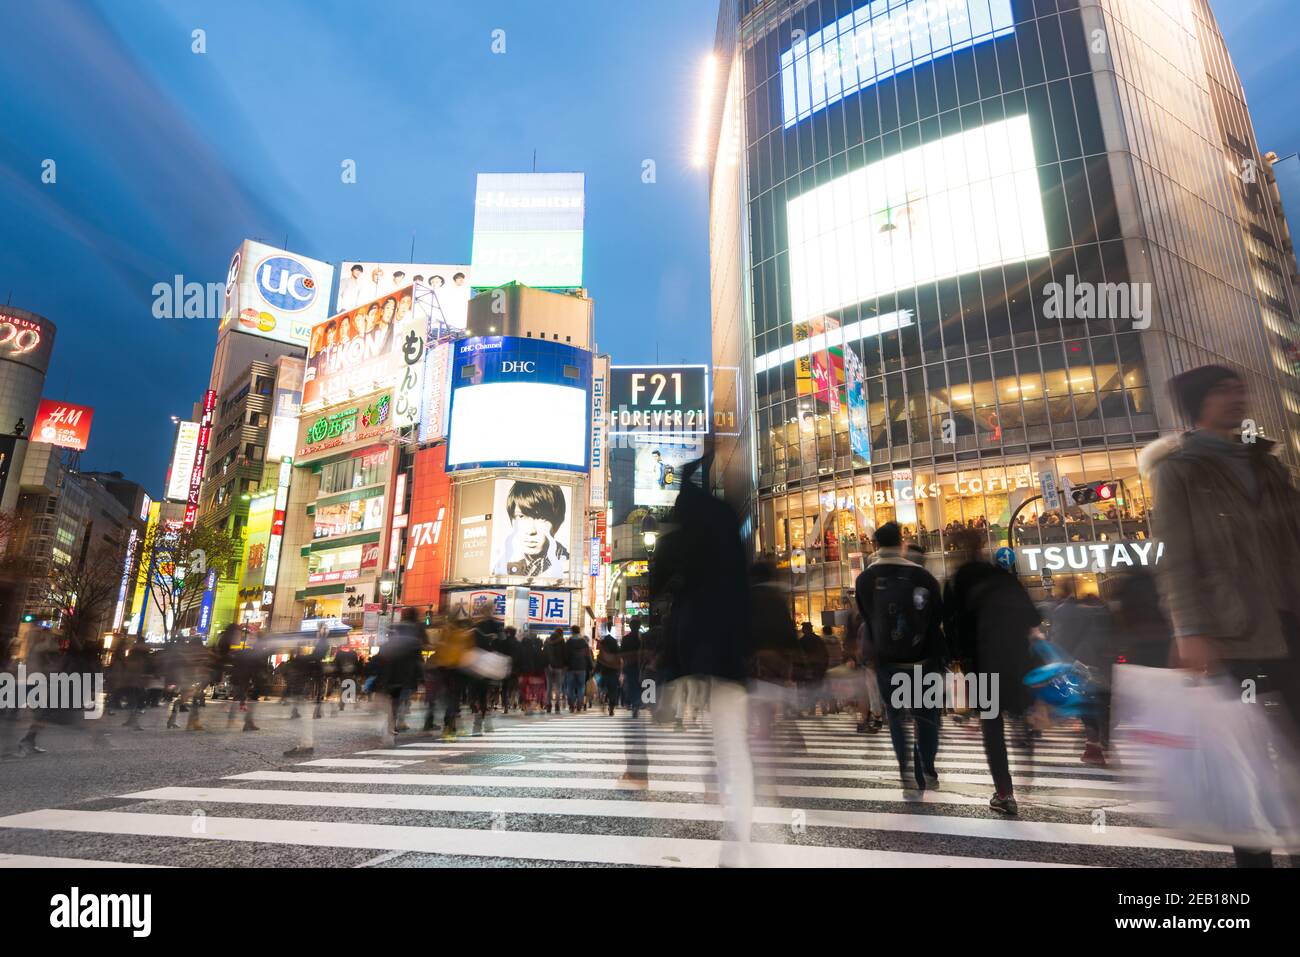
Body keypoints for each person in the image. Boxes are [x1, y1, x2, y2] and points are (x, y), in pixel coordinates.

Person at [1142, 364, 1300, 867]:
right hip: (1231, 632)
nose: (1237, 397)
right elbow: (1177, 556)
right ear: (1199, 402)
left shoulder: (1265, 461)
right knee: (1242, 762)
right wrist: (1190, 630)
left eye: (1239, 388)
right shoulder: (1180, 469)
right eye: (1223, 390)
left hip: (1290, 620)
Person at [650, 455, 755, 867]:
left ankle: (669, 710)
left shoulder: (681, 533)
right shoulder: (729, 532)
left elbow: (657, 583)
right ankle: (738, 837)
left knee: (704, 734)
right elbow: (742, 597)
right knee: (732, 747)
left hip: (691, 652)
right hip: (727, 653)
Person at [943, 527, 1039, 815]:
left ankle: (1004, 792)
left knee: (992, 725)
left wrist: (956, 659)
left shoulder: (957, 581)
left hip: (982, 661)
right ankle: (1025, 749)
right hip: (1017, 658)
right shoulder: (1002, 575)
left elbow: (951, 627)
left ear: (957, 550)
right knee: (1019, 711)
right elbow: (1032, 616)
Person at [855, 522, 946, 792]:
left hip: (888, 662)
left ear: (875, 545)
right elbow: (937, 616)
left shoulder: (865, 579)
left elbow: (868, 619)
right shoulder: (923, 576)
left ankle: (905, 768)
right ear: (902, 542)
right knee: (926, 716)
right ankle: (926, 768)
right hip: (924, 660)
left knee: (896, 716)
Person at [1049, 578, 1116, 766]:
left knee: (1086, 704)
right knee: (1102, 702)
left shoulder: (1062, 612)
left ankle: (1094, 746)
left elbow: (1058, 641)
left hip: (1078, 663)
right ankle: (1104, 740)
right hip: (1100, 660)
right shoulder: (1095, 609)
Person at [748, 560, 799, 739]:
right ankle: (767, 723)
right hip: (778, 653)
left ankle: (763, 725)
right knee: (770, 689)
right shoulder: (777, 597)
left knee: (756, 692)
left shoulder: (748, 597)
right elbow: (787, 627)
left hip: (755, 653)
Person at [492, 482, 570, 578]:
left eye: (541, 518)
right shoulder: (505, 570)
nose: (531, 531)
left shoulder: (570, 569)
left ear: (557, 522)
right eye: (521, 516)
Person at [796, 621, 828, 716]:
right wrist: (824, 667)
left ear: (805, 629)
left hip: (806, 668)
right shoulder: (818, 639)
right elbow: (825, 654)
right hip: (818, 668)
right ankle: (820, 708)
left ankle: (807, 709)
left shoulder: (801, 641)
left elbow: (798, 655)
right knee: (817, 688)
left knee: (805, 689)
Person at [564, 625, 592, 713]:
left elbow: (565, 656)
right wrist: (591, 666)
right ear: (579, 631)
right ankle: (579, 704)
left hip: (571, 668)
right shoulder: (584, 642)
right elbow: (588, 656)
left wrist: (565, 665)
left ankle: (571, 705)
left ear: (572, 631)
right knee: (581, 687)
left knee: (570, 687)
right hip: (582, 668)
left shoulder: (569, 642)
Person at [517, 629, 547, 713]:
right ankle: (539, 704)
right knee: (539, 690)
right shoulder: (540, 652)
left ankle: (526, 704)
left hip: (526, 673)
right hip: (539, 673)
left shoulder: (524, 651)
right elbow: (543, 663)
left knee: (526, 689)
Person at [620, 619, 645, 718]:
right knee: (639, 685)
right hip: (641, 665)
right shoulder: (642, 638)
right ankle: (636, 704)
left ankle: (633, 703)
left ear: (630, 627)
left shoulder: (626, 639)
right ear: (639, 626)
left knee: (631, 684)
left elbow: (622, 653)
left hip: (629, 665)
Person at [495, 626, 521, 713]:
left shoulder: (504, 643)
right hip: (516, 668)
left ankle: (506, 706)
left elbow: (500, 654)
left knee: (505, 687)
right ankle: (514, 701)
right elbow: (521, 656)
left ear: (508, 633)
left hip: (505, 667)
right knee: (515, 686)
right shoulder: (518, 643)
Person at [597, 631, 622, 715]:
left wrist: (596, 670)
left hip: (604, 673)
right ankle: (611, 707)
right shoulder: (616, 651)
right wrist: (620, 672)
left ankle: (603, 699)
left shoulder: (603, 650)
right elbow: (620, 662)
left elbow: (599, 661)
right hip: (614, 674)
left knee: (602, 688)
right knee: (613, 691)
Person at [543, 627, 567, 714]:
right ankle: (557, 705)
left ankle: (548, 705)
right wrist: (565, 665)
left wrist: (547, 664)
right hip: (559, 667)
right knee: (558, 687)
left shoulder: (547, 641)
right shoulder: (562, 642)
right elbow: (565, 655)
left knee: (549, 687)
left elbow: (544, 654)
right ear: (561, 633)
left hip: (548, 667)